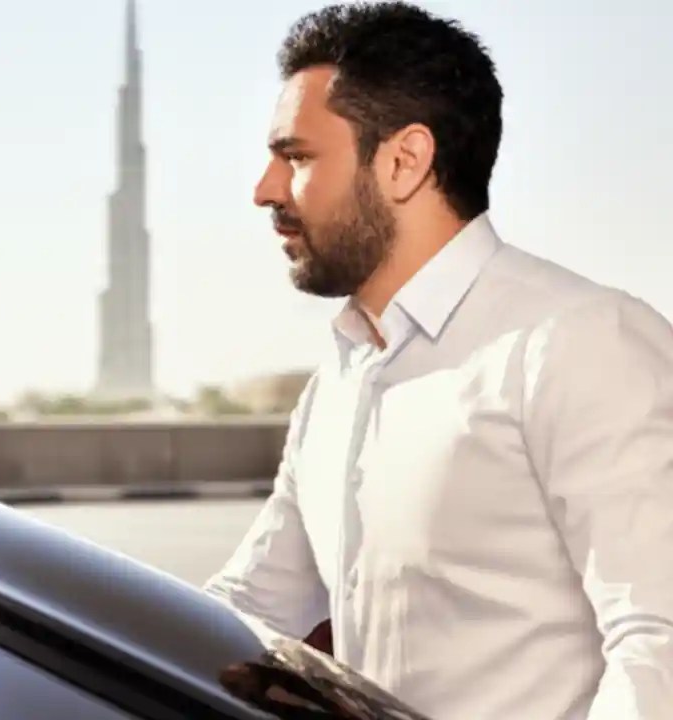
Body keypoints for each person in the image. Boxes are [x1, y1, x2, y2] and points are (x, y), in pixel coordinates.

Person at [203, 2, 673, 718]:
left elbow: (658, 648)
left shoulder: (578, 341)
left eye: (297, 157)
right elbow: (244, 611)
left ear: (403, 161)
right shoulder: (340, 379)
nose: (266, 189)